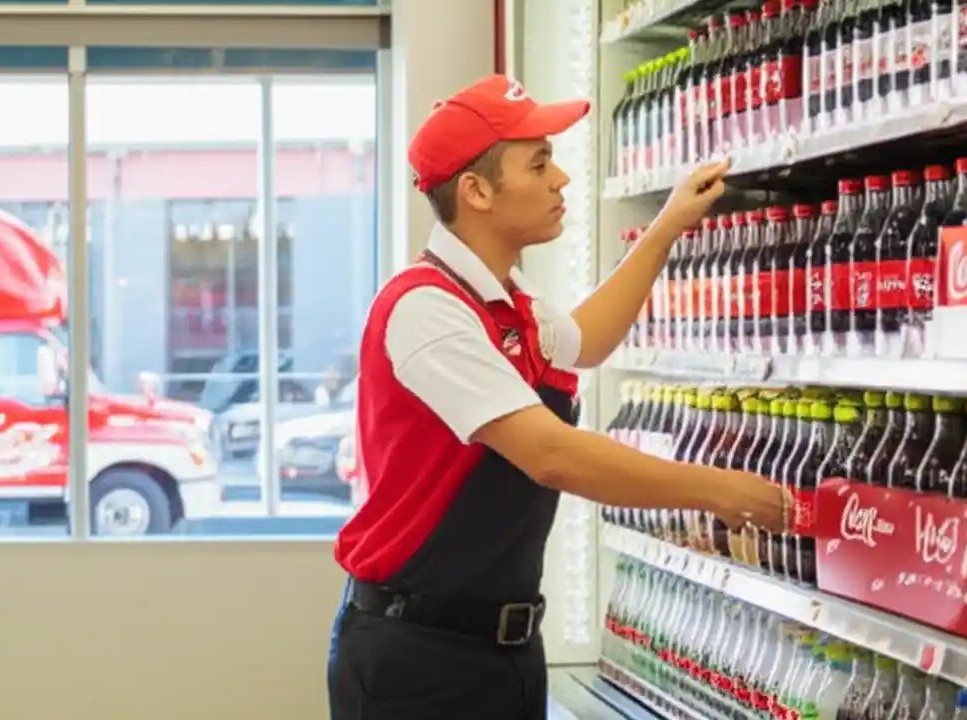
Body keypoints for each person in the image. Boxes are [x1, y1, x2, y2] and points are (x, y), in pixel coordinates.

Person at [326, 74, 789, 720]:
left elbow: (588, 339)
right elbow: (550, 455)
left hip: (507, 649)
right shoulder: (425, 310)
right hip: (417, 657)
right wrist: (718, 490)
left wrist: (666, 226)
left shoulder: (511, 306)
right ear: (477, 190)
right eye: (539, 163)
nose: (562, 179)